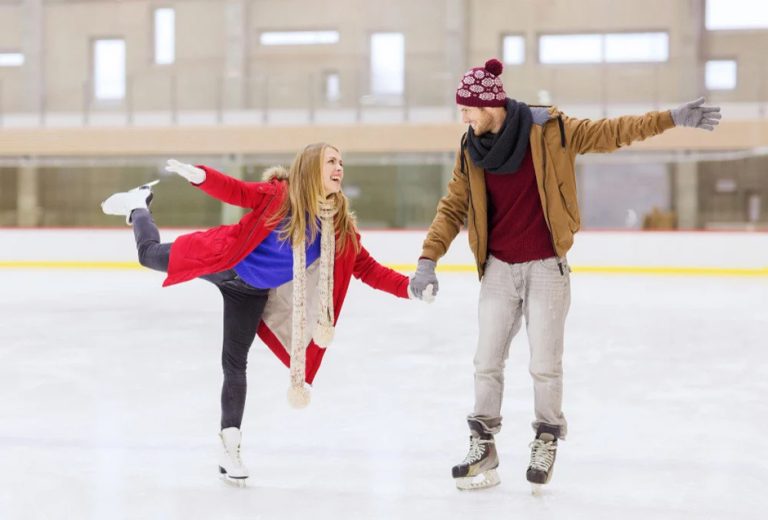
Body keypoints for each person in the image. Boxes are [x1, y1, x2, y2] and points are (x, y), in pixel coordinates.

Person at [408, 58, 721, 492]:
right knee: (486, 361)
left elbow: (611, 132)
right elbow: (452, 206)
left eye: (468, 109)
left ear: (491, 104)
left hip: (546, 266)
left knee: (544, 364)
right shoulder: (470, 148)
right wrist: (428, 258)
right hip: (498, 268)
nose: (463, 117)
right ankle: (483, 443)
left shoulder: (549, 129)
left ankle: (546, 437)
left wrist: (670, 117)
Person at [101, 142, 434, 485]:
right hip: (222, 258)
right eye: (331, 161)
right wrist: (201, 176)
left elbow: (368, 269)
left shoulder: (338, 230)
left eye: (341, 162)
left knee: (234, 363)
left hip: (250, 292)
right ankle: (138, 205)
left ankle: (229, 445)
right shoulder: (279, 196)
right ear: (309, 168)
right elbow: (237, 192)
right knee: (148, 255)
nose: (339, 168)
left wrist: (408, 287)